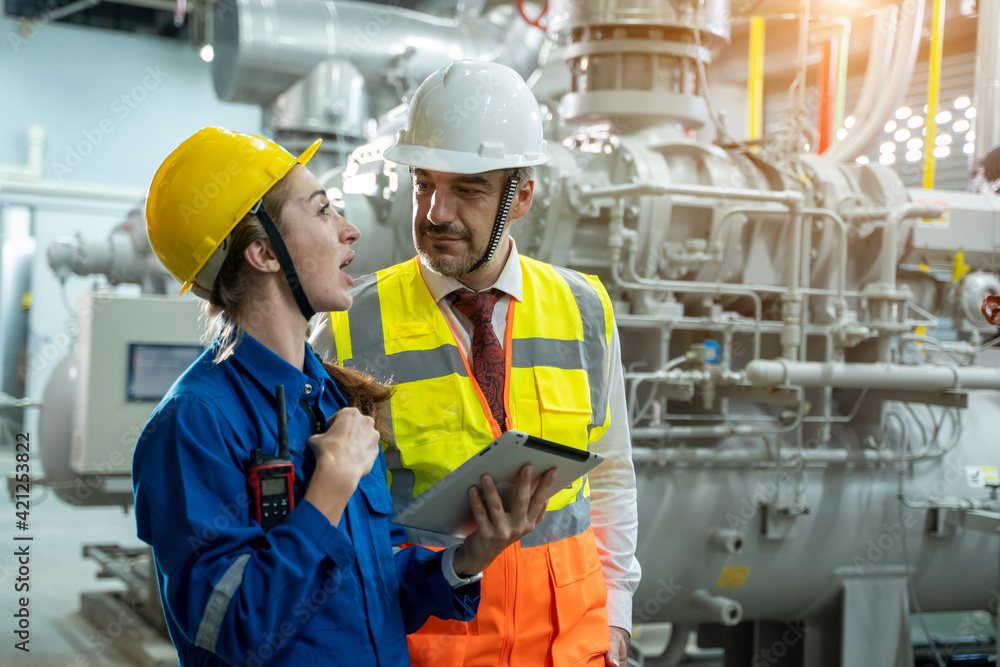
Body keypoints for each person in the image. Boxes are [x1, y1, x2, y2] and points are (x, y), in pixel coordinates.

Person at [132, 126, 556, 666]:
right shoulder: (195, 423)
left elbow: (369, 600)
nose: (350, 231)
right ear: (263, 252)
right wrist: (326, 494)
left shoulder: (332, 400)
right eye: (323, 211)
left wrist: (468, 558)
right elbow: (235, 629)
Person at [310, 61, 641, 667]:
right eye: (424, 183)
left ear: (522, 197)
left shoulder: (584, 309)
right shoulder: (346, 324)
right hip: (432, 651)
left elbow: (612, 477)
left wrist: (615, 615)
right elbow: (328, 521)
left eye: (469, 189)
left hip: (570, 649)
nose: (437, 212)